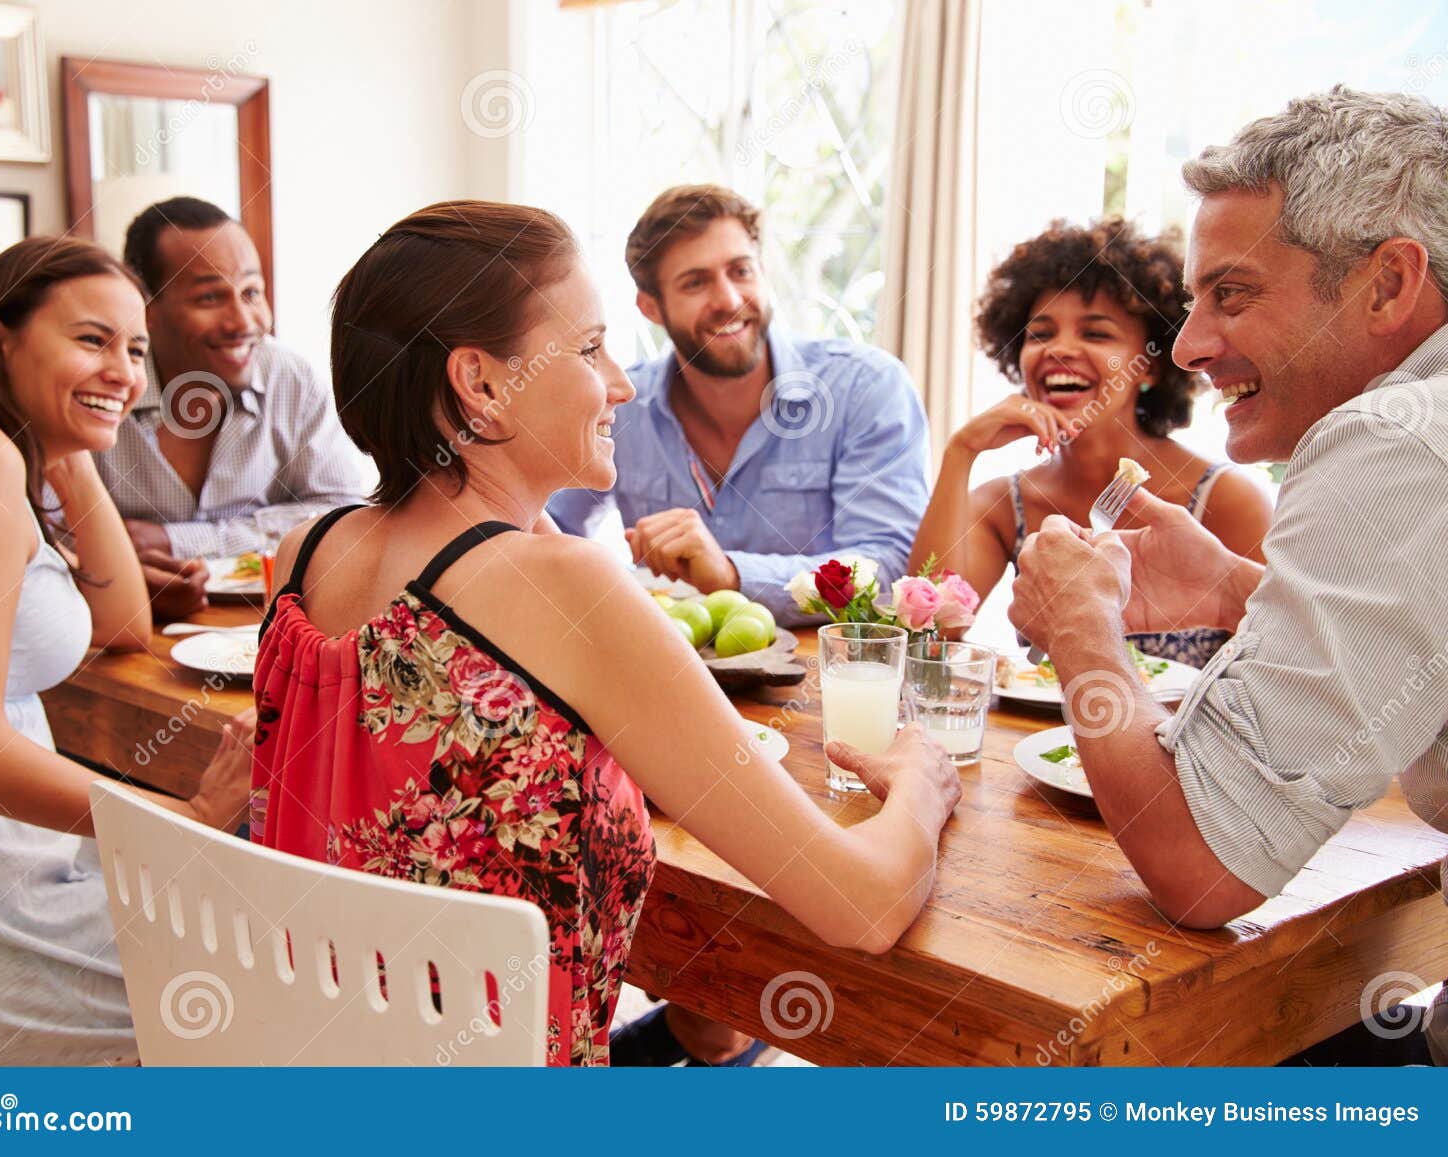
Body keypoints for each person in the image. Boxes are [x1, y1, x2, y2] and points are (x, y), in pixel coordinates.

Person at [250, 201, 961, 1066]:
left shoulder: (304, 555)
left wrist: (520, 487)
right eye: (589, 348)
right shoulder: (565, 591)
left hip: (321, 1079)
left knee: (713, 1041)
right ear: (478, 382)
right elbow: (865, 906)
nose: (622, 382)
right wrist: (922, 781)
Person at [1008, 87, 1448, 1063]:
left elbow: (1202, 872)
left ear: (1387, 285)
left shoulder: (1392, 441)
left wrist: (1082, 631)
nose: (1189, 344)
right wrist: (1229, 588)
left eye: (1232, 294)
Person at [0, 236, 254, 1066]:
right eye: (92, 340)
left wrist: (68, 450)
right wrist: (181, 822)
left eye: (135, 349)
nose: (126, 372)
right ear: (0, 338)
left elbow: (120, 624)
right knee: (255, 998)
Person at [548, 185, 929, 626]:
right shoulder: (620, 405)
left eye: (741, 271)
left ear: (763, 274)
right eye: (695, 282)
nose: (729, 300)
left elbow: (886, 567)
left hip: (818, 677)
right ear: (650, 307)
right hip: (664, 668)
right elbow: (550, 530)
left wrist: (733, 574)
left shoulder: (865, 388)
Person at [912, 219, 1272, 665]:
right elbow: (929, 637)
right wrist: (961, 452)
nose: (1058, 350)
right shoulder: (1005, 504)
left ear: (1152, 365)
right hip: (1039, 737)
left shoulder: (1228, 499)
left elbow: (1282, 665)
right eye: (1040, 333)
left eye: (1096, 333)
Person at [95, 197, 371, 619]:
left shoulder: (290, 379)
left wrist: (175, 540)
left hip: (264, 630)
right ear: (145, 306)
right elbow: (62, 539)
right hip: (125, 628)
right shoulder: (101, 390)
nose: (243, 321)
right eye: (210, 297)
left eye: (251, 292)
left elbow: (342, 514)